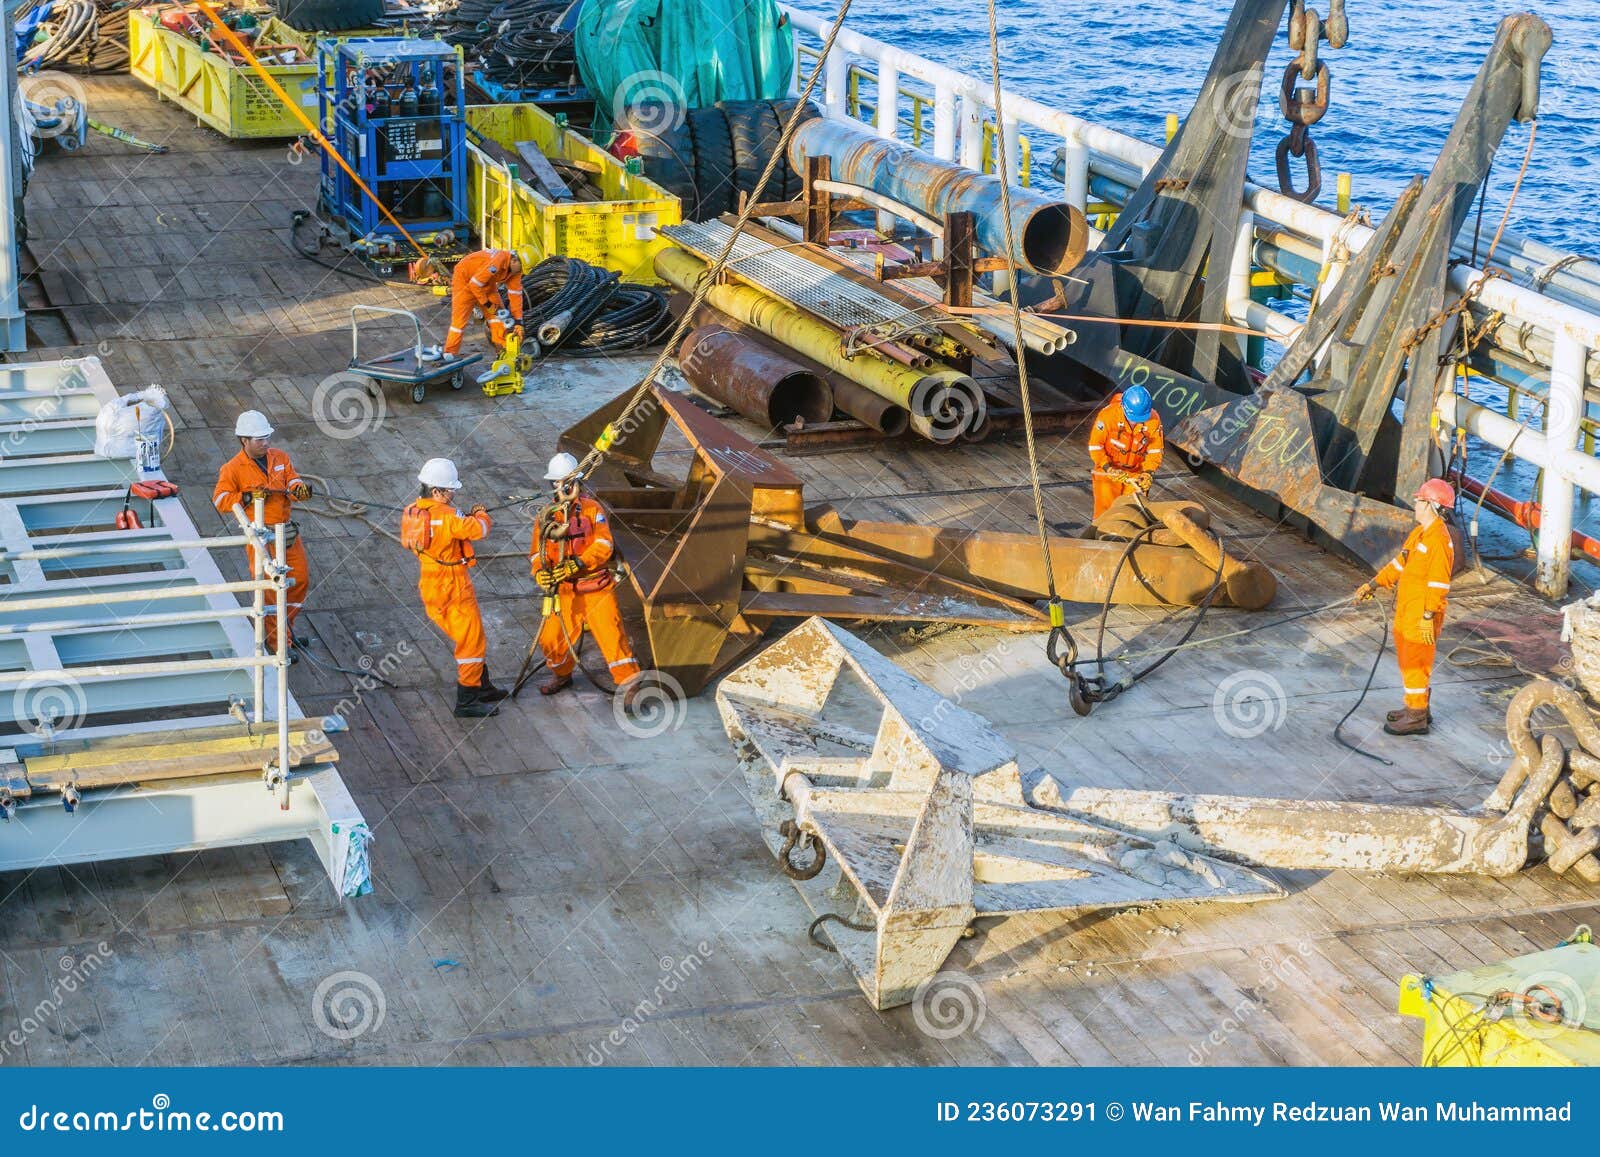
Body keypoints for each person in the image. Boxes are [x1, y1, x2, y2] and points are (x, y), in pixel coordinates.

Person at [530, 452, 642, 699]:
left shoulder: (593, 510)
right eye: (556, 484)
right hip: (564, 591)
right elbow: (536, 553)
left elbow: (604, 544)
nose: (561, 488)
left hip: (596, 588)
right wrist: (541, 573)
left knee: (612, 635)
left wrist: (578, 563)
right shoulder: (546, 516)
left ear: (576, 483)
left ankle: (630, 683)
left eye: (566, 483)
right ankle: (561, 674)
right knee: (552, 638)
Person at [402, 458, 508, 718]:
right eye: (450, 491)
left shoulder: (412, 512)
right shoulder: (450, 516)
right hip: (453, 585)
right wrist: (481, 513)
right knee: (471, 642)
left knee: (469, 637)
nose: (453, 495)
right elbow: (480, 529)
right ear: (436, 491)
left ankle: (482, 686)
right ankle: (468, 700)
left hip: (430, 584)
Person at [1356, 478, 1457, 736]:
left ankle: (1416, 716)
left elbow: (1438, 584)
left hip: (1421, 613)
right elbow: (1400, 564)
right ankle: (1417, 705)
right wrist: (1374, 584)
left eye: (1419, 500)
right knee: (1407, 657)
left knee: (1415, 662)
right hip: (1408, 608)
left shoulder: (1439, 541)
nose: (1415, 503)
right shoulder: (1420, 533)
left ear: (1431, 505)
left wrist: (1427, 615)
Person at [212, 410, 310, 655]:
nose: (265, 443)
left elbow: (291, 480)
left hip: (285, 532)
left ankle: (285, 631)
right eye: (259, 440)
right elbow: (220, 500)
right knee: (270, 590)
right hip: (261, 537)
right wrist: (245, 497)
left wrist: (298, 489)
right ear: (244, 440)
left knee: (300, 581)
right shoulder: (232, 469)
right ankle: (279, 645)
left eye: (267, 438)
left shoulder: (280, 457)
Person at [1087, 383, 1164, 520]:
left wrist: (1148, 473)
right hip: (1107, 471)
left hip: (1136, 474)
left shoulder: (1153, 420)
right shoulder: (1107, 416)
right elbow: (1095, 446)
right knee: (1104, 514)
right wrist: (1108, 468)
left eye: (1140, 419)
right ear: (1123, 407)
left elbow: (1155, 451)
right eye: (1132, 418)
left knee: (1136, 514)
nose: (1135, 422)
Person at [439, 248, 526, 357]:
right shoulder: (498, 261)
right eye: (521, 269)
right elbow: (474, 285)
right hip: (464, 281)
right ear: (514, 261)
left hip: (486, 284)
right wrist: (487, 304)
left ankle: (503, 352)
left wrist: (519, 322)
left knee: (498, 318)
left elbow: (515, 294)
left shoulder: (515, 270)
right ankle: (450, 353)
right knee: (459, 322)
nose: (521, 272)